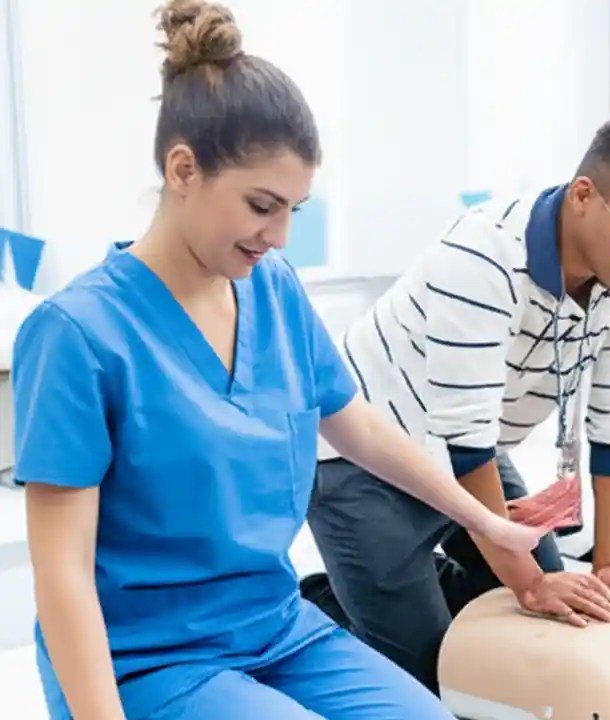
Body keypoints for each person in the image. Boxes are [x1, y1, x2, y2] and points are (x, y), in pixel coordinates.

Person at [11, 3, 548, 719]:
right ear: (183, 169)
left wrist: (486, 522)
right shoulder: (78, 334)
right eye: (262, 205)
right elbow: (62, 577)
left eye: (296, 208)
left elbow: (357, 427)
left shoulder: (273, 290)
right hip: (147, 656)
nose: (281, 234)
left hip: (275, 628)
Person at [305, 115, 610, 692]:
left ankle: (396, 586)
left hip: (472, 449)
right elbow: (464, 435)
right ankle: (325, 604)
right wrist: (529, 583)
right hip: (362, 456)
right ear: (584, 197)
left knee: (551, 618)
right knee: (432, 673)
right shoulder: (484, 254)